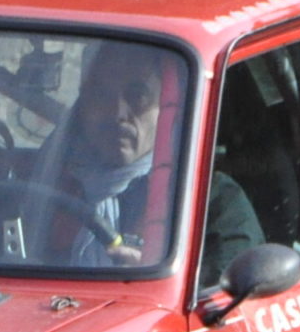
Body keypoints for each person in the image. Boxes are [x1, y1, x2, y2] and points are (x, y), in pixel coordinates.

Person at [44, 41, 262, 273]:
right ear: (83, 105)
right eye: (101, 95)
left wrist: (152, 278)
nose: (118, 113)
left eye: (138, 96)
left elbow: (233, 284)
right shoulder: (48, 182)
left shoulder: (210, 201)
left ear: (169, 109)